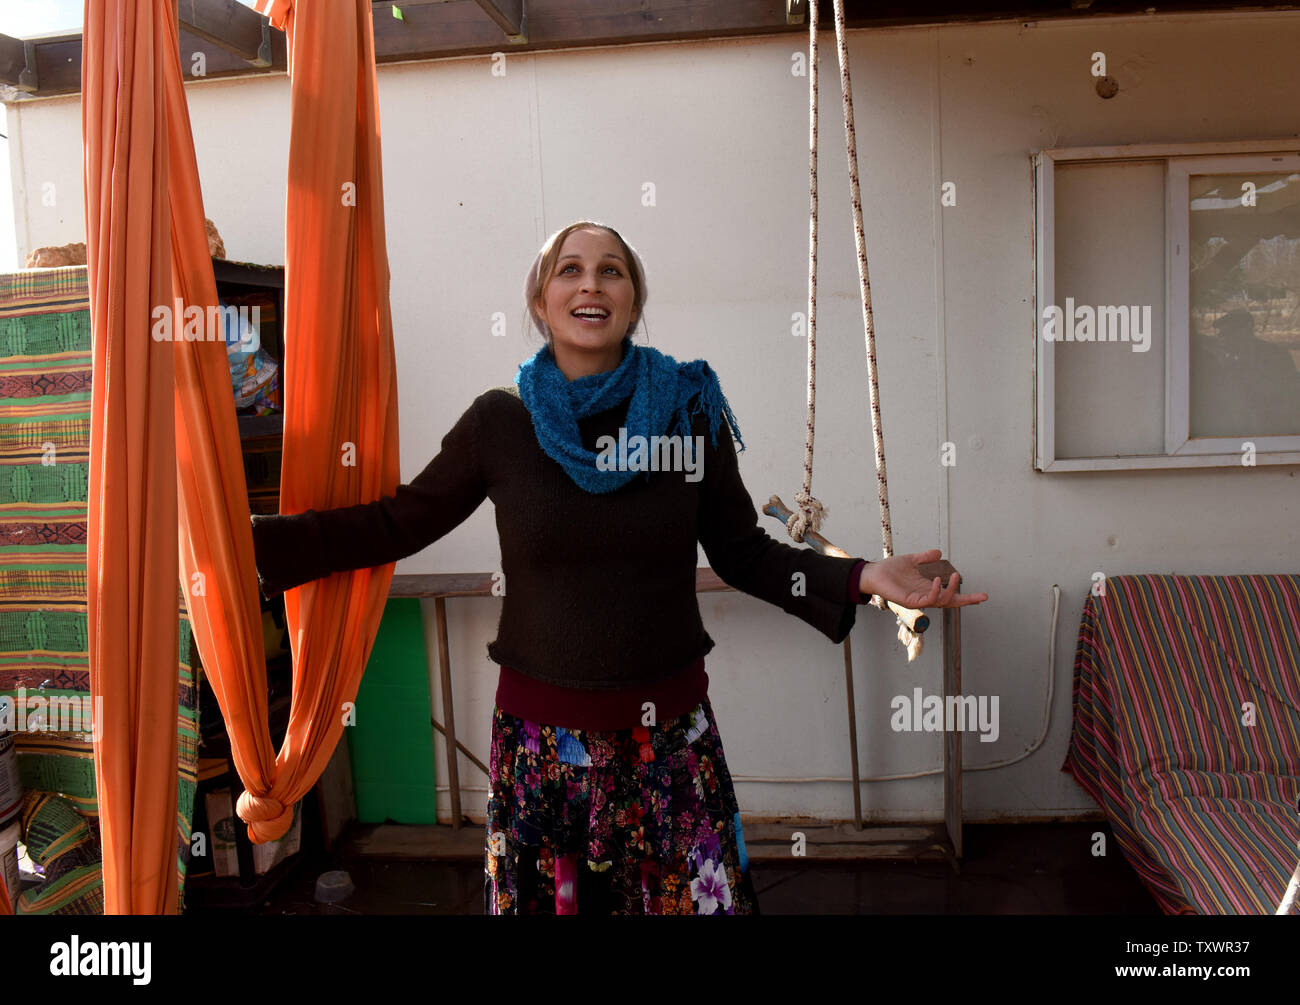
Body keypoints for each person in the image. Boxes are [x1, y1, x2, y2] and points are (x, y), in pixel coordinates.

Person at [249, 220, 988, 915]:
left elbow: (744, 553)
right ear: (541, 301)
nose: (590, 285)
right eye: (568, 270)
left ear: (634, 300)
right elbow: (396, 522)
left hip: (668, 747)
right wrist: (248, 544)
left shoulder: (689, 410)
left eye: (612, 271)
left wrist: (863, 576)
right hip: (543, 754)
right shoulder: (498, 423)